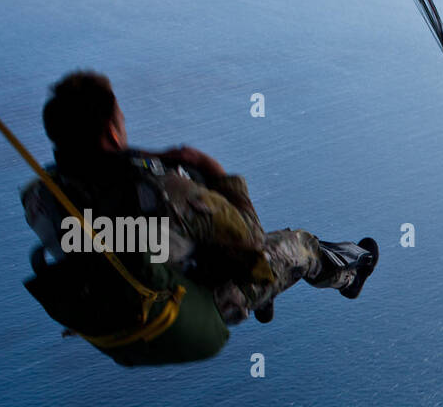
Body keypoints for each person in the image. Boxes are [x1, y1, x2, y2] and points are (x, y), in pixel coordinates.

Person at [20, 71, 378, 364]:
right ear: (114, 132)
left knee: (184, 241)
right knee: (302, 246)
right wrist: (216, 174)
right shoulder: (168, 192)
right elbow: (252, 243)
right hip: (188, 315)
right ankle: (349, 277)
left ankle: (266, 295)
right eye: (121, 121)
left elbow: (99, 192)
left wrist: (134, 163)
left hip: (114, 324)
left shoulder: (39, 196)